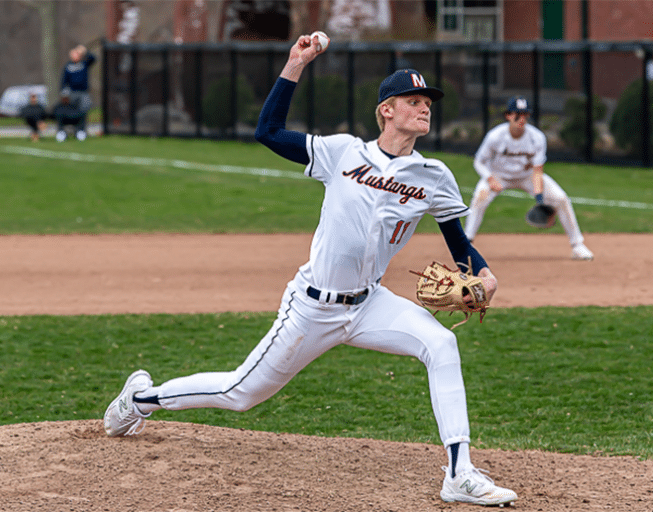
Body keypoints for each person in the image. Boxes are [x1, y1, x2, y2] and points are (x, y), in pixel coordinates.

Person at [103, 33, 518, 507]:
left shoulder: (433, 175)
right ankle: (138, 400)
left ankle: (459, 473)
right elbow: (268, 133)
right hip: (312, 307)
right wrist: (294, 64)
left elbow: (457, 241)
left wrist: (484, 274)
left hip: (370, 304)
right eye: (413, 100)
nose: (424, 108)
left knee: (441, 344)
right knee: (241, 392)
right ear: (386, 109)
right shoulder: (342, 153)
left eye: (427, 101)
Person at [465, 96, 594, 261]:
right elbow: (479, 162)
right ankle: (467, 244)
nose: (522, 118)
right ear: (508, 116)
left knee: (560, 198)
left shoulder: (536, 137)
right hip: (498, 175)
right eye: (517, 114)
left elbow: (537, 170)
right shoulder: (495, 136)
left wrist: (540, 198)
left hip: (526, 176)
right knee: (479, 198)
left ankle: (577, 246)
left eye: (525, 114)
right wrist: (490, 178)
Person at [61, 43, 96, 139]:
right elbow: (64, 80)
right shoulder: (68, 66)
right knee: (72, 112)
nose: (74, 56)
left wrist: (84, 51)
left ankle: (82, 131)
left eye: (76, 54)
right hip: (72, 93)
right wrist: (63, 92)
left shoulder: (84, 63)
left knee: (83, 111)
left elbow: (93, 58)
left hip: (83, 92)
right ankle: (73, 130)